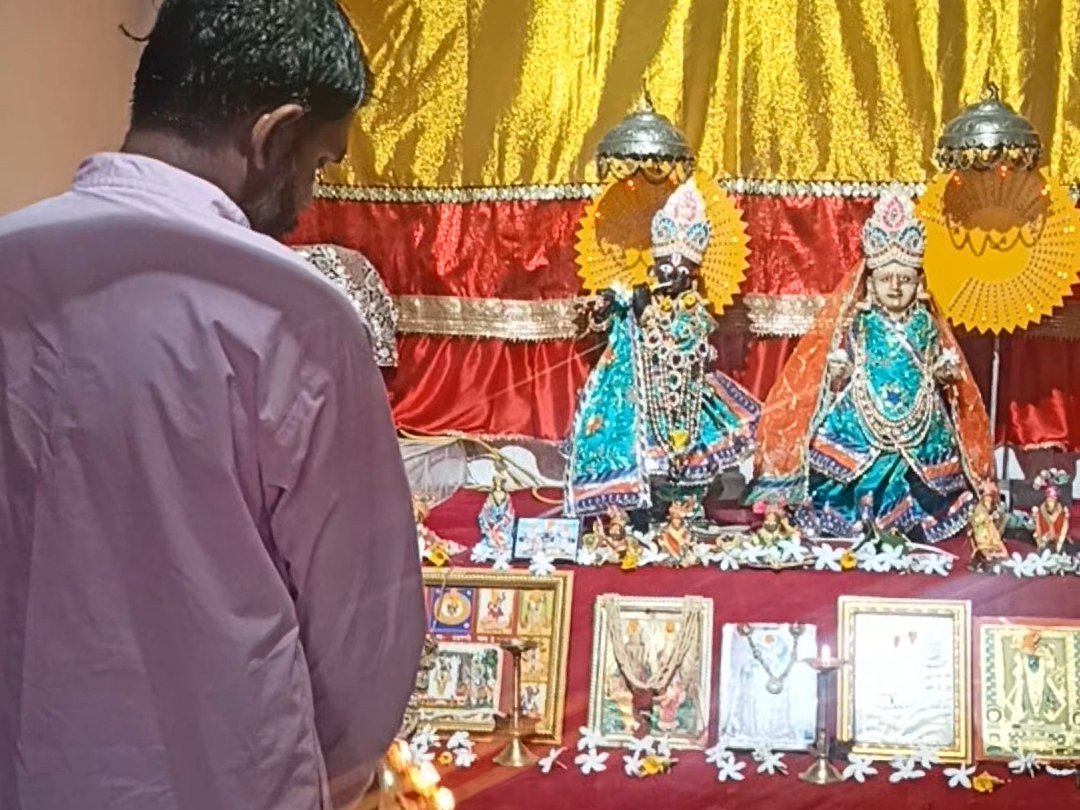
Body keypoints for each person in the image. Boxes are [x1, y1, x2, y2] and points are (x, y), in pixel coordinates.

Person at [0, 2, 425, 809]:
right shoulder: (288, 315)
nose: (306, 198)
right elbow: (364, 639)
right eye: (320, 166)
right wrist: (320, 776)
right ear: (274, 135)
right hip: (222, 777)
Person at [752, 190, 993, 544]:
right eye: (885, 279)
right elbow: (845, 362)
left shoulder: (926, 323)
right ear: (871, 283)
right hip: (862, 417)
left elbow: (939, 365)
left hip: (919, 420)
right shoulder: (860, 322)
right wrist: (838, 373)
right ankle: (856, 515)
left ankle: (908, 519)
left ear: (919, 283)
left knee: (919, 472)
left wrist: (944, 371)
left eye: (905, 279)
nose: (895, 287)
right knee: (849, 465)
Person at [565, 177, 760, 524]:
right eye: (664, 266)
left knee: (691, 457)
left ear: (693, 273)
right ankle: (650, 503)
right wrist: (612, 306)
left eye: (679, 269)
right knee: (647, 449)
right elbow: (623, 333)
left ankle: (685, 506)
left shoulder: (694, 309)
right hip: (647, 394)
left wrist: (645, 313)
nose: (670, 273)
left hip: (686, 396)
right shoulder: (644, 296)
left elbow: (684, 343)